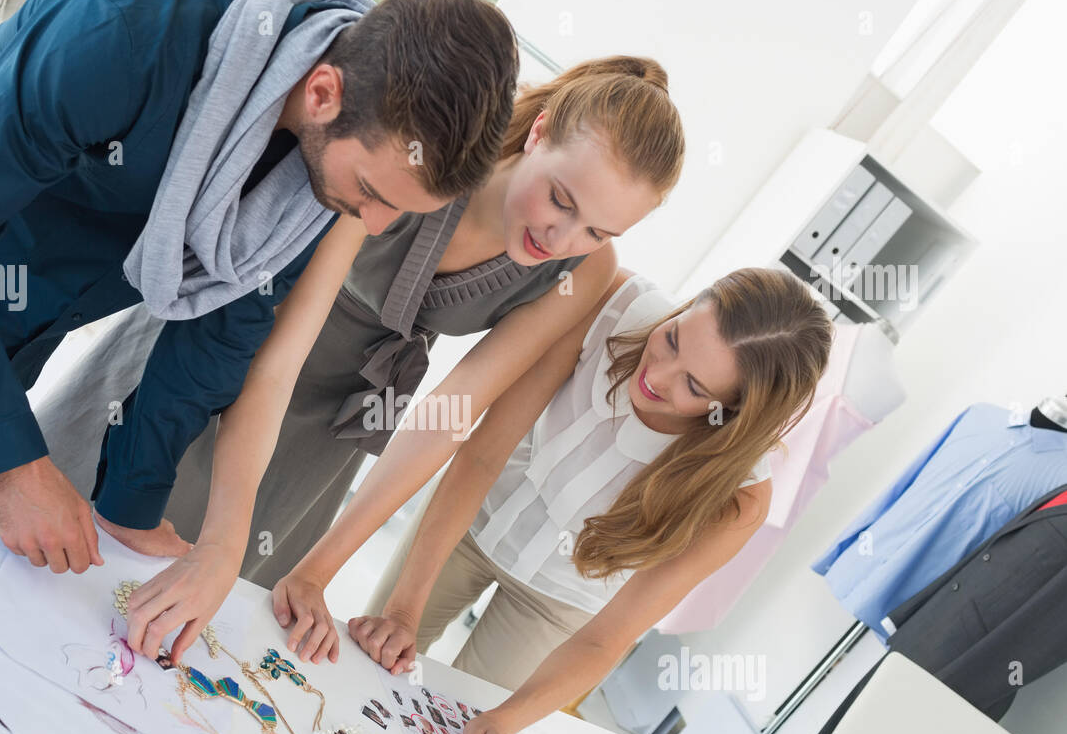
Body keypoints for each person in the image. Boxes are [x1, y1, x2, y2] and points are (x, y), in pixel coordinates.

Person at [0, 0, 517, 669]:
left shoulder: (320, 173)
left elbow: (220, 334)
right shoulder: (126, 26)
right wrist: (17, 460)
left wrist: (132, 506)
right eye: (378, 197)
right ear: (323, 92)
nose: (373, 225)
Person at [42, 57, 684, 670]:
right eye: (561, 201)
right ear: (539, 134)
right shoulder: (431, 152)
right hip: (231, 347)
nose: (563, 240)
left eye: (599, 231)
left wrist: (319, 570)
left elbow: (449, 416)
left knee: (172, 630)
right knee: (66, 541)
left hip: (327, 427)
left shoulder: (583, 272)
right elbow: (280, 354)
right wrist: (222, 537)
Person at [346, 268, 832, 734]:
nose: (659, 375)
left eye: (694, 386)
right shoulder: (605, 305)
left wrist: (504, 724)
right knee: (364, 665)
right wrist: (404, 612)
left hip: (559, 603)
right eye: (672, 339)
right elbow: (479, 457)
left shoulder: (739, 499)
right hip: (471, 518)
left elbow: (608, 638)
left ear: (735, 413)